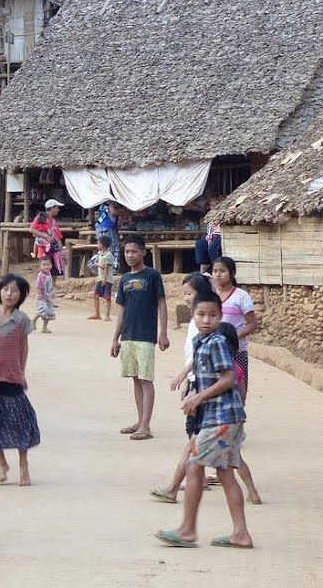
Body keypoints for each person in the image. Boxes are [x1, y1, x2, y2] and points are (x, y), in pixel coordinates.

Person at [152, 286, 254, 550]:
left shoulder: (218, 341)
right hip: (219, 416)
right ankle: (240, 533)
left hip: (223, 417)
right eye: (201, 314)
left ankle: (187, 530)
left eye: (211, 315)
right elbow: (205, 377)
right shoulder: (200, 342)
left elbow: (229, 378)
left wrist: (199, 398)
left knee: (195, 466)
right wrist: (193, 395)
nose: (206, 320)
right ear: (192, 315)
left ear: (220, 317)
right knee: (224, 473)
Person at [0, 274, 40, 486]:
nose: (9, 294)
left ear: (21, 296)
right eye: (5, 289)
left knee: (19, 422)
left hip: (12, 378)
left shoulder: (22, 320)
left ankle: (23, 464)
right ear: (0, 291)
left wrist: (22, 372)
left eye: (14, 290)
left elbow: (25, 347)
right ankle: (2, 462)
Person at [110, 236, 168, 441]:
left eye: (134, 251)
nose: (130, 255)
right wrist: (115, 339)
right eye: (126, 252)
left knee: (146, 380)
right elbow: (122, 311)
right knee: (135, 379)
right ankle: (140, 420)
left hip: (145, 336)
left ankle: (146, 425)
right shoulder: (124, 279)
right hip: (128, 336)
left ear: (144, 252)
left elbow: (162, 304)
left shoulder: (153, 275)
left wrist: (163, 333)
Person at [210, 257, 258, 403]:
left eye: (222, 271)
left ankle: (237, 421)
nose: (218, 274)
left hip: (236, 351)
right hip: (213, 350)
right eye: (215, 271)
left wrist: (232, 337)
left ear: (232, 273)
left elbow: (252, 324)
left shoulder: (241, 297)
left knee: (239, 392)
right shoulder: (210, 296)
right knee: (214, 391)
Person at [29, 200, 65, 278]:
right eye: (57, 208)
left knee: (54, 270)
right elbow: (32, 229)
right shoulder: (40, 217)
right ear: (52, 208)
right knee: (45, 269)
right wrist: (45, 235)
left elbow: (58, 237)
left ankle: (52, 287)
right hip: (43, 250)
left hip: (54, 250)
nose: (58, 209)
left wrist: (61, 251)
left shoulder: (54, 221)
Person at [89, 234, 115, 321]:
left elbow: (106, 267)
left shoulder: (109, 255)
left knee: (107, 297)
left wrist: (104, 279)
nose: (97, 245)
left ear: (102, 244)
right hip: (100, 278)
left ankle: (107, 315)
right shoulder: (101, 254)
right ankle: (97, 314)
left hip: (106, 279)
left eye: (98, 243)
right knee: (96, 295)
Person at [33, 257, 56, 333]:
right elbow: (39, 286)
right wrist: (40, 294)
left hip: (48, 296)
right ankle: (34, 320)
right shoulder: (41, 275)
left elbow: (49, 285)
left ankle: (44, 328)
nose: (46, 266)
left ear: (51, 265)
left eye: (48, 265)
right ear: (40, 266)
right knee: (43, 310)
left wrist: (51, 295)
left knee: (48, 312)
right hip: (42, 297)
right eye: (44, 265)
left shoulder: (49, 274)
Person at [97, 201, 121, 269]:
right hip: (108, 228)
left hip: (101, 227)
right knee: (113, 248)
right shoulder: (111, 203)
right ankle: (112, 268)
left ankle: (103, 266)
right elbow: (113, 212)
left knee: (103, 248)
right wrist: (122, 212)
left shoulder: (102, 205)